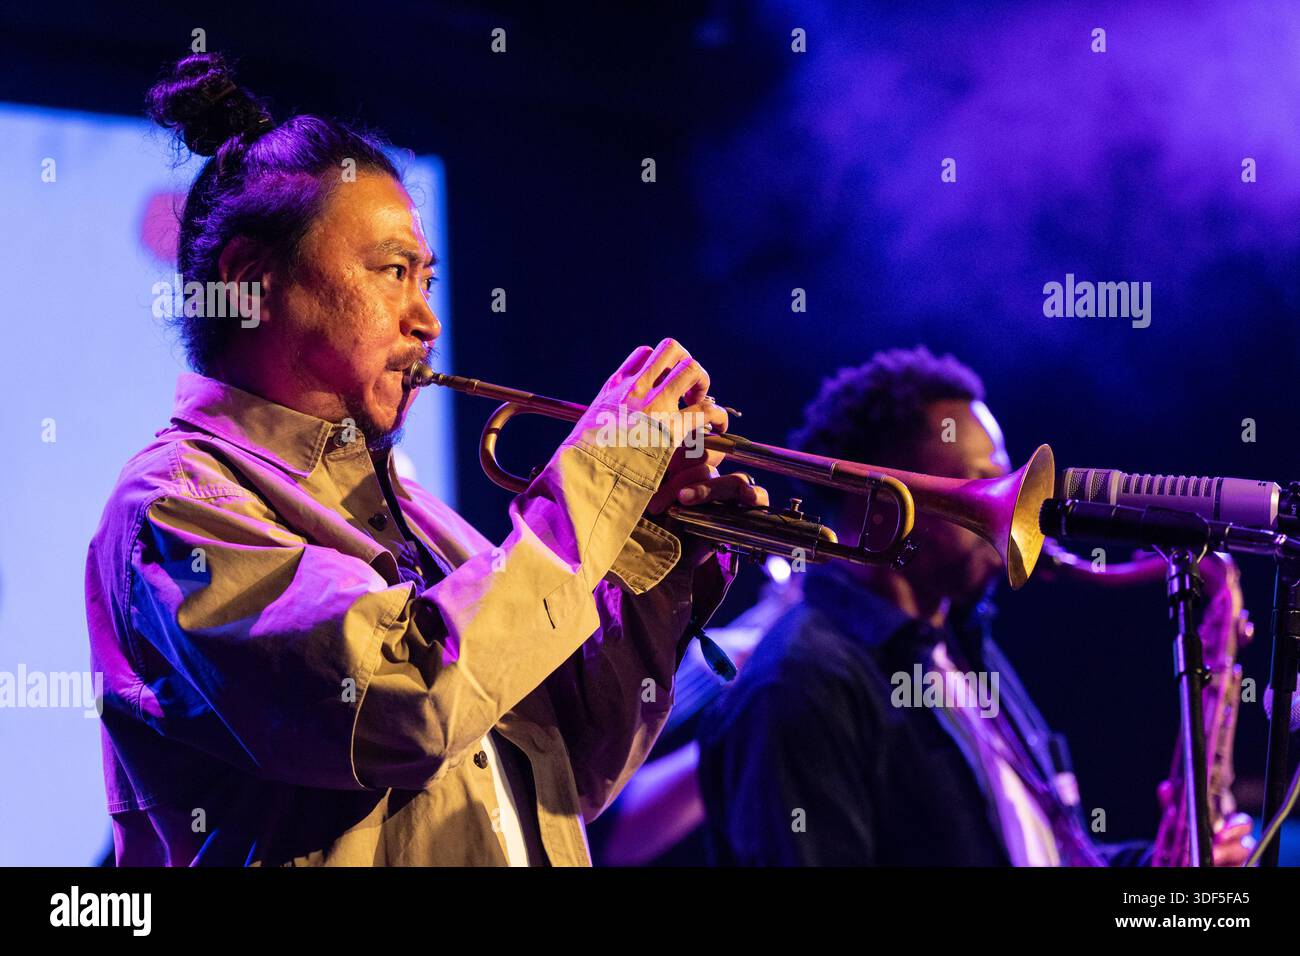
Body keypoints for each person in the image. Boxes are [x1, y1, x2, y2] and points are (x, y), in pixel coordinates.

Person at [85, 53, 767, 866]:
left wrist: (652, 546)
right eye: (393, 272)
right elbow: (402, 704)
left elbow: (569, 765)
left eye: (428, 278)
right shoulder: (172, 505)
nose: (427, 321)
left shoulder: (413, 515)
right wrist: (597, 482)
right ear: (250, 281)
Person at [695, 346, 1254, 866]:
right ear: (886, 504)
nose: (1017, 514)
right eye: (984, 483)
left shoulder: (957, 640)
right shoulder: (800, 685)